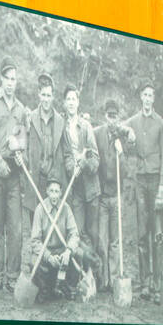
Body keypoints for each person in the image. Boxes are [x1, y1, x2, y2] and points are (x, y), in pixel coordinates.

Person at [0, 58, 28, 289]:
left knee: (16, 228)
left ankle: (12, 276)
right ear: (1, 79)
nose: (11, 83)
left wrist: (20, 151)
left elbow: (21, 138)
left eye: (14, 79)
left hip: (14, 174)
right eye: (7, 78)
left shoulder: (21, 108)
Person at [123, 83, 163, 300]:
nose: (148, 98)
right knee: (142, 234)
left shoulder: (159, 122)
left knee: (157, 235)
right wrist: (128, 130)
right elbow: (118, 129)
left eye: (151, 95)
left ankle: (158, 286)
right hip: (140, 180)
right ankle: (144, 283)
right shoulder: (133, 119)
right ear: (141, 97)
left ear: (154, 98)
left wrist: (161, 187)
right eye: (145, 95)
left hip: (156, 181)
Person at [23, 177, 94, 302]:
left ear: (61, 193)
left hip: (62, 251)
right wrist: (48, 256)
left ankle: (69, 287)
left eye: (57, 191)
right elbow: (34, 241)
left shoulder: (66, 208)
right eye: (51, 191)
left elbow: (74, 234)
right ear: (47, 191)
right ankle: (46, 289)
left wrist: (68, 251)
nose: (54, 195)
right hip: (47, 252)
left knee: (78, 253)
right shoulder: (40, 209)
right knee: (34, 261)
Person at [93, 99, 139, 288]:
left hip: (117, 196)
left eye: (115, 116)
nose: (112, 120)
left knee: (115, 242)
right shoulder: (97, 134)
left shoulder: (123, 135)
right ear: (105, 116)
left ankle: (114, 280)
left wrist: (121, 152)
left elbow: (128, 170)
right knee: (102, 240)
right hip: (102, 197)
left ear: (118, 117)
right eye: (109, 116)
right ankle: (102, 279)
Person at [59, 84, 100, 283]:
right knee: (78, 232)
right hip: (74, 190)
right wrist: (71, 167)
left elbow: (96, 159)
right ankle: (81, 276)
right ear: (64, 103)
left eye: (74, 99)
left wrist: (83, 162)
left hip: (91, 189)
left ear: (78, 102)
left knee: (92, 234)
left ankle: (94, 276)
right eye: (68, 99)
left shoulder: (86, 126)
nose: (71, 102)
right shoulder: (63, 129)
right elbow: (66, 157)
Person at [23, 74, 65, 215]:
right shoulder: (31, 118)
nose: (46, 99)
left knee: (52, 223)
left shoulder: (60, 121)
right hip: (35, 178)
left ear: (53, 96)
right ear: (38, 95)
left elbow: (66, 151)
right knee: (35, 222)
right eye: (43, 95)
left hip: (53, 181)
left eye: (49, 95)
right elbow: (25, 147)